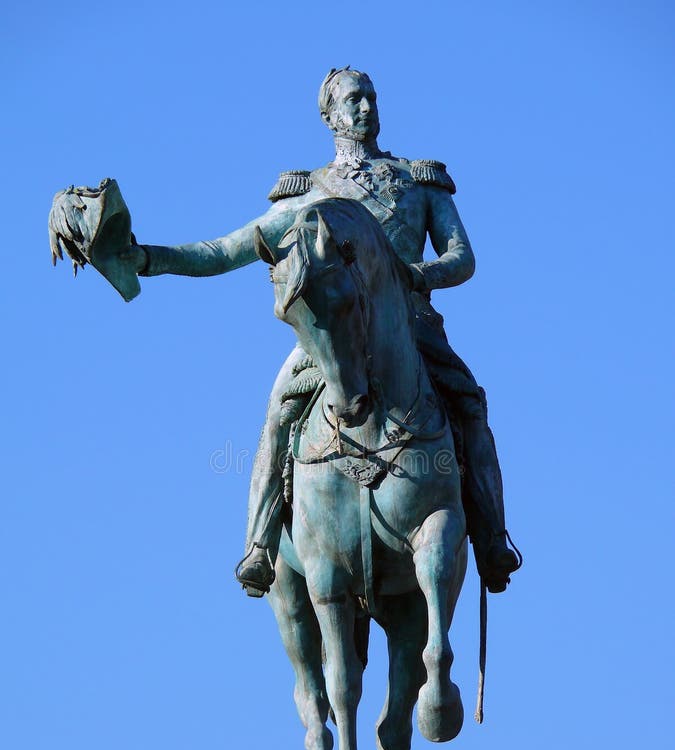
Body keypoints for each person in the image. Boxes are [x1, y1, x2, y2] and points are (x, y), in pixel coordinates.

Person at [125, 67, 520, 594]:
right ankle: (260, 543)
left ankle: (493, 537)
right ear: (329, 115)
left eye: (372, 98)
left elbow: (462, 257)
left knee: (469, 403)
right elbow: (223, 251)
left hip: (411, 328)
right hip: (330, 338)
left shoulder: (418, 179)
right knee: (279, 413)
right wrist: (144, 258)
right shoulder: (305, 195)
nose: (366, 108)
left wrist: (416, 275)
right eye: (354, 100)